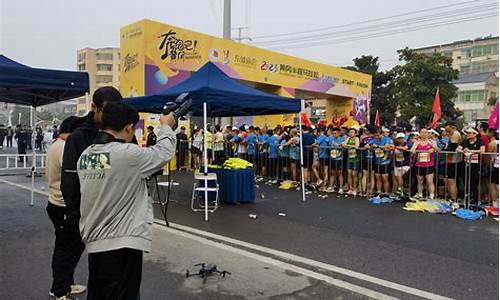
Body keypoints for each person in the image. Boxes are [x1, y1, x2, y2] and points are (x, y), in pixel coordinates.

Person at [78, 102, 176, 300]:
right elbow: (164, 153)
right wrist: (166, 126)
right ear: (128, 127)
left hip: (95, 244)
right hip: (121, 244)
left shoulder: (86, 155)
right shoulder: (127, 154)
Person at [59, 86, 123, 300]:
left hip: (111, 220)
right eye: (106, 110)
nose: (111, 117)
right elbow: (69, 182)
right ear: (93, 108)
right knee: (68, 255)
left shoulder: (120, 135)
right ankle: (60, 290)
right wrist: (77, 214)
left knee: (107, 275)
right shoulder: (78, 138)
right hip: (83, 215)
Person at [46, 116, 86, 299]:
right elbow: (74, 175)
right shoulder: (64, 147)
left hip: (56, 204)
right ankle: (59, 290)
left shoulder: (56, 144)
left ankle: (66, 283)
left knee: (67, 248)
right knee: (66, 250)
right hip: (64, 206)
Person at [457, 127, 485, 206]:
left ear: (475, 134)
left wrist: (472, 151)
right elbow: (457, 149)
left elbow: (483, 150)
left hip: (475, 166)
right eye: (467, 133)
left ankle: (475, 200)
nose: (467, 135)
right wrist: (463, 151)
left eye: (469, 133)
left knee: (474, 183)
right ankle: (466, 199)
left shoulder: (480, 141)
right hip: (465, 165)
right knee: (465, 182)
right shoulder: (465, 141)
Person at [411, 128, 438, 200]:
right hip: (419, 165)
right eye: (422, 132)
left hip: (429, 165)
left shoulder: (431, 142)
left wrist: (433, 148)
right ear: (419, 134)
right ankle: (420, 195)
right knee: (420, 181)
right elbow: (412, 150)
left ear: (428, 133)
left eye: (425, 132)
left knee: (429, 181)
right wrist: (416, 150)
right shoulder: (417, 142)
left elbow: (437, 149)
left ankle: (431, 196)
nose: (424, 134)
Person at [369, 127, 393, 195]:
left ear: (382, 134)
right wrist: (371, 146)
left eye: (378, 135)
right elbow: (367, 146)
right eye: (375, 135)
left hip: (385, 161)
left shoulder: (387, 139)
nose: (376, 137)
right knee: (378, 177)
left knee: (384, 178)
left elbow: (387, 147)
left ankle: (386, 192)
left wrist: (377, 146)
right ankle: (379, 191)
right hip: (377, 161)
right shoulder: (374, 139)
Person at [442, 121, 462, 202]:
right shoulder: (452, 134)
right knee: (450, 180)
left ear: (451, 127)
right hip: (451, 160)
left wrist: (442, 150)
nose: (445, 129)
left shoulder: (455, 134)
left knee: (451, 180)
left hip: (454, 161)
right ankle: (453, 198)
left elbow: (452, 148)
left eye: (446, 127)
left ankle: (454, 199)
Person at [328, 127, 345, 193]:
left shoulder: (342, 139)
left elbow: (343, 147)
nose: (334, 135)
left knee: (339, 173)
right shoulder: (331, 139)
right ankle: (331, 186)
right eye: (333, 133)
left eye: (335, 133)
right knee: (332, 173)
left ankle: (341, 187)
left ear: (339, 133)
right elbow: (329, 147)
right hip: (332, 158)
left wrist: (338, 146)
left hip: (339, 158)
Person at [344, 128, 360, 196]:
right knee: (349, 174)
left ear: (355, 133)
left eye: (353, 132)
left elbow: (356, 146)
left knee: (354, 174)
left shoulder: (356, 138)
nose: (351, 133)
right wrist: (350, 146)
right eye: (350, 132)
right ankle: (350, 188)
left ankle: (355, 189)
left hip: (355, 158)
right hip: (349, 158)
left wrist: (348, 146)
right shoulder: (348, 138)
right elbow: (344, 145)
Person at [486, 128, 498, 205]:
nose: (486, 134)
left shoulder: (491, 144)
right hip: (497, 165)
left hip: (494, 165)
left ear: (491, 133)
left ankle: (494, 203)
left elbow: (488, 157)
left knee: (492, 185)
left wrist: (486, 166)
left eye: (487, 132)